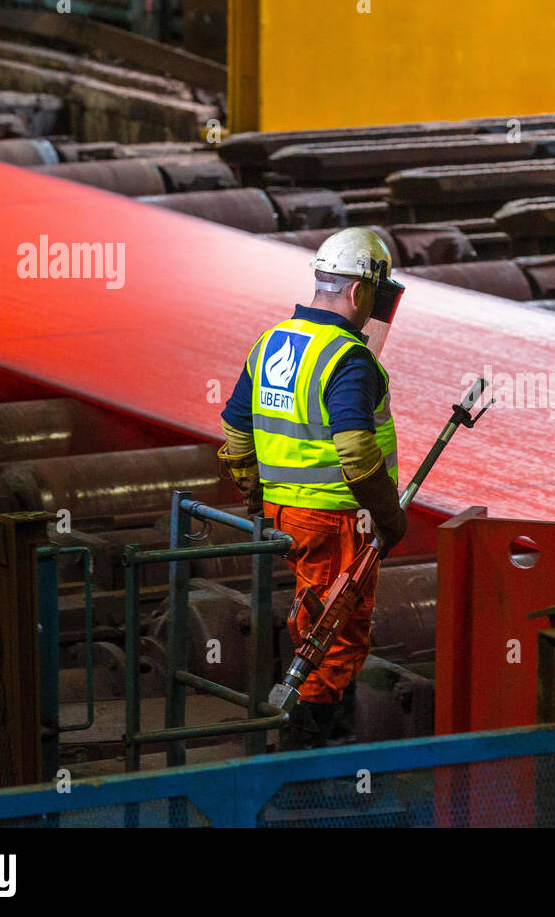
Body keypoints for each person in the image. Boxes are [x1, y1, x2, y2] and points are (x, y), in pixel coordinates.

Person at [218, 227, 407, 748]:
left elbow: (236, 430)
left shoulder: (272, 341)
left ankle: (312, 742)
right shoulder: (347, 356)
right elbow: (354, 448)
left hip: (287, 514)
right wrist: (388, 515)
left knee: (314, 621)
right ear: (357, 292)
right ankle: (312, 758)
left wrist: (256, 495)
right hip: (334, 518)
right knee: (335, 633)